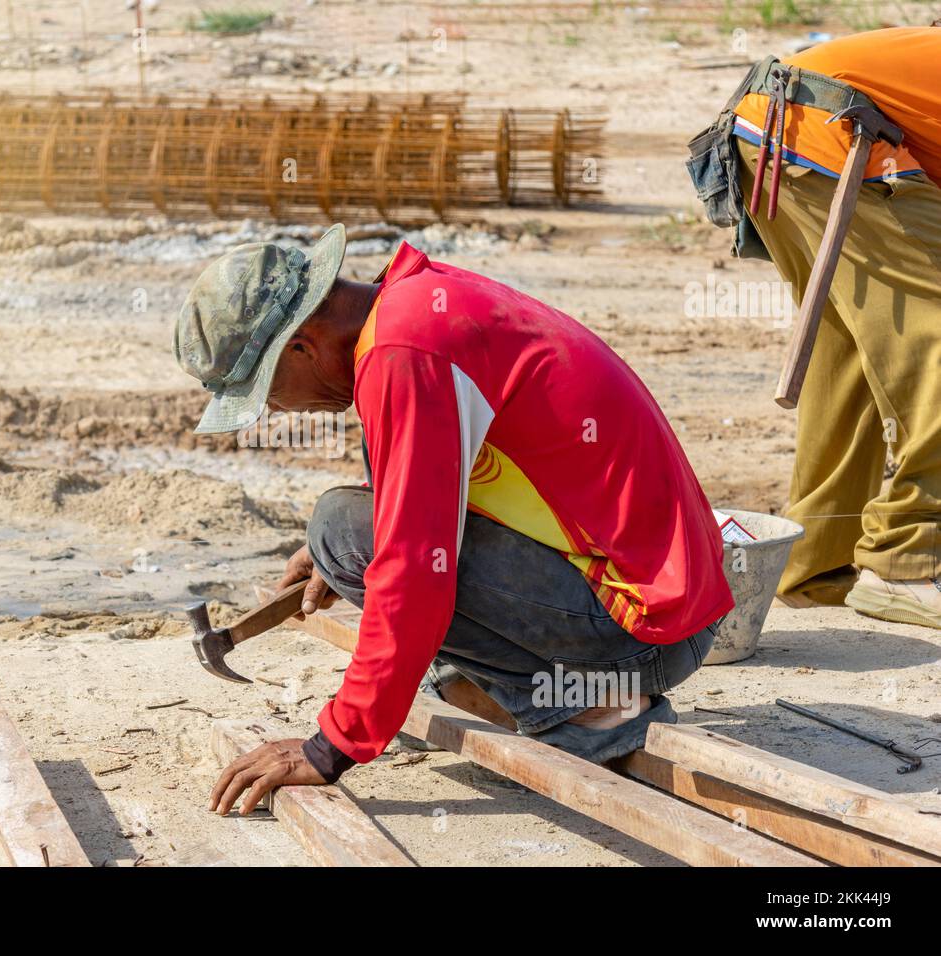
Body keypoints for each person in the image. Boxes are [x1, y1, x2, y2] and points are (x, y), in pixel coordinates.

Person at [174, 225, 733, 814]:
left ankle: (595, 710)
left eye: (266, 391)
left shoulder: (401, 354)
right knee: (345, 539)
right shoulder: (412, 308)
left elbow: (414, 569)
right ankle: (558, 689)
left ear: (302, 347)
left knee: (341, 528)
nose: (276, 409)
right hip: (663, 601)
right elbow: (440, 471)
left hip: (647, 629)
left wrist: (330, 747)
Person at [691, 27, 941, 625]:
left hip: (769, 126)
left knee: (855, 349)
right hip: (838, 134)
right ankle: (907, 560)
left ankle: (817, 562)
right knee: (928, 337)